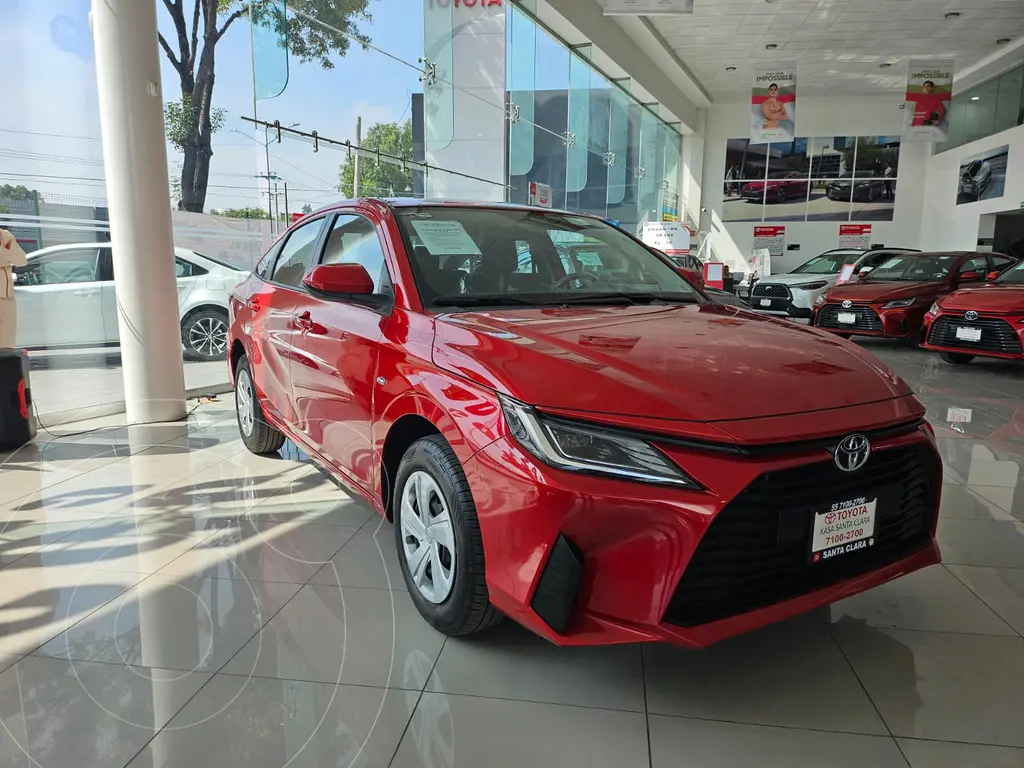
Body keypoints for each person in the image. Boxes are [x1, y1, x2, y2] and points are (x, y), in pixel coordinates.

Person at [0, 228, 27, 348]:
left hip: (7, 297)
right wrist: (7, 256)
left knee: (7, 344)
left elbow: (21, 260)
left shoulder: (4, 235)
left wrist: (4, 253)